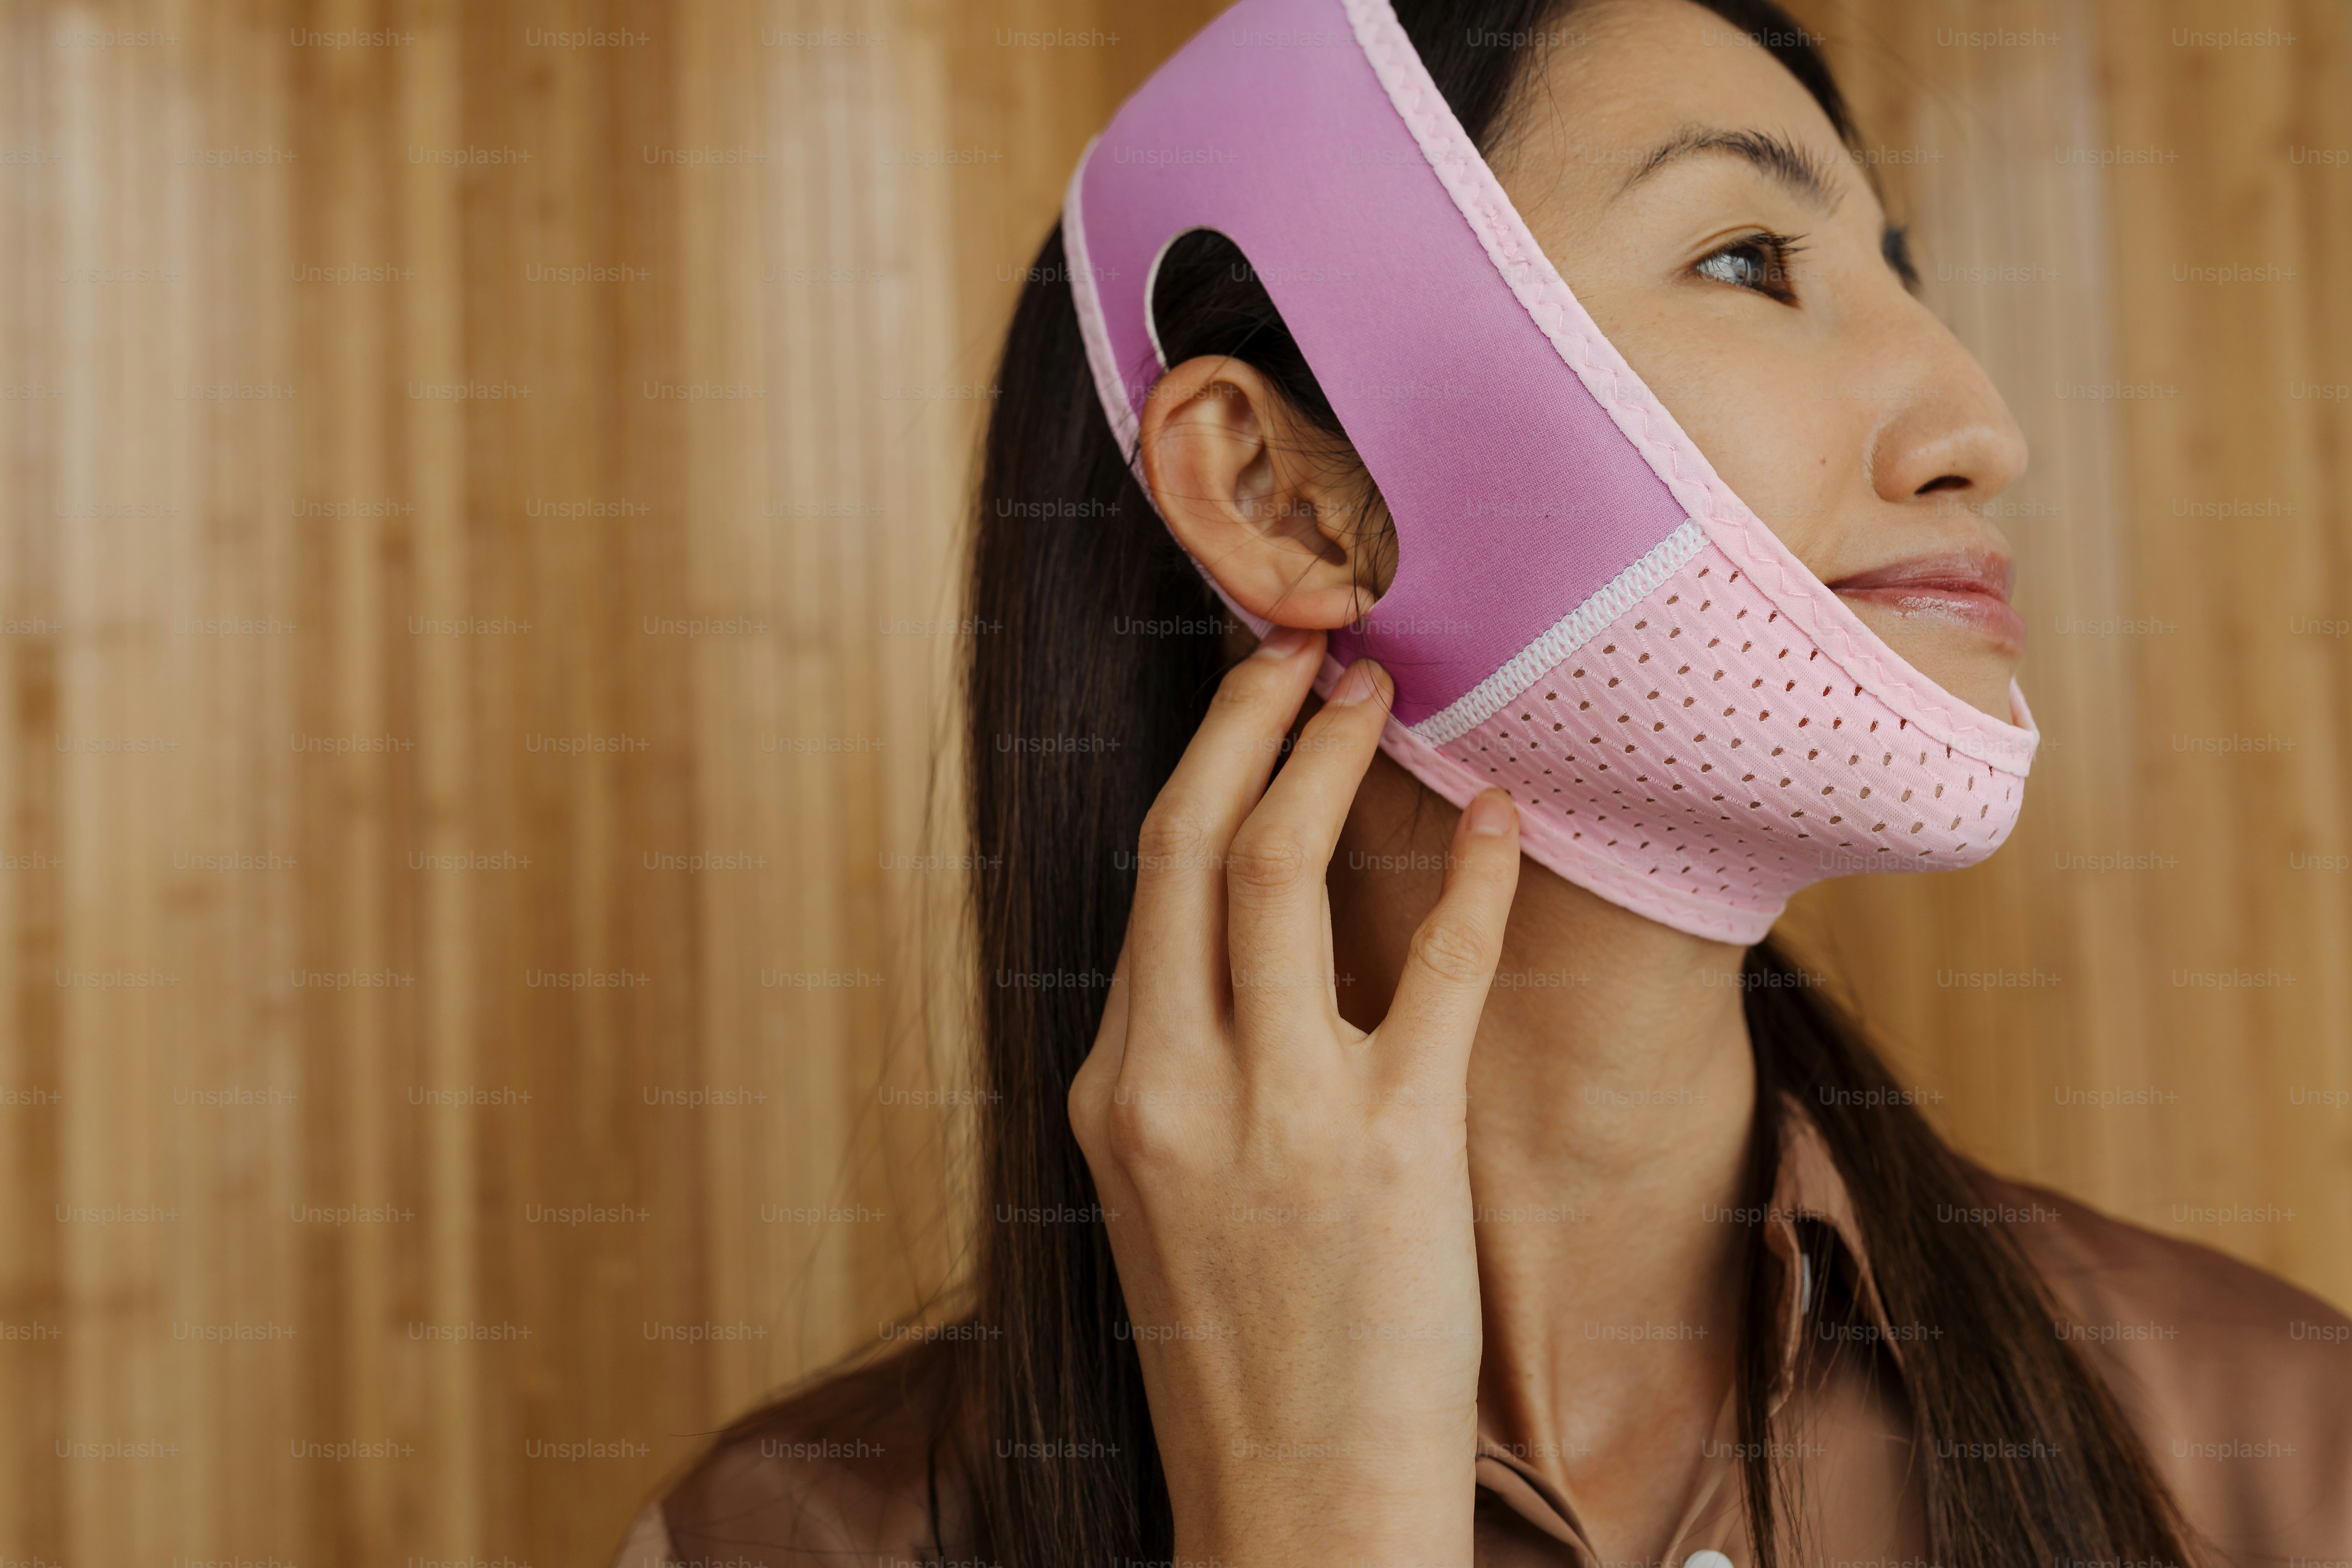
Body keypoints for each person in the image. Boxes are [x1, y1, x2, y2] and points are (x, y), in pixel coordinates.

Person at [618, 1, 2352, 1563]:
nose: (1982, 424)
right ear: (1282, 497)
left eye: (1899, 267)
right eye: (1753, 258)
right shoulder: (800, 1539)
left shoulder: (2275, 1449)